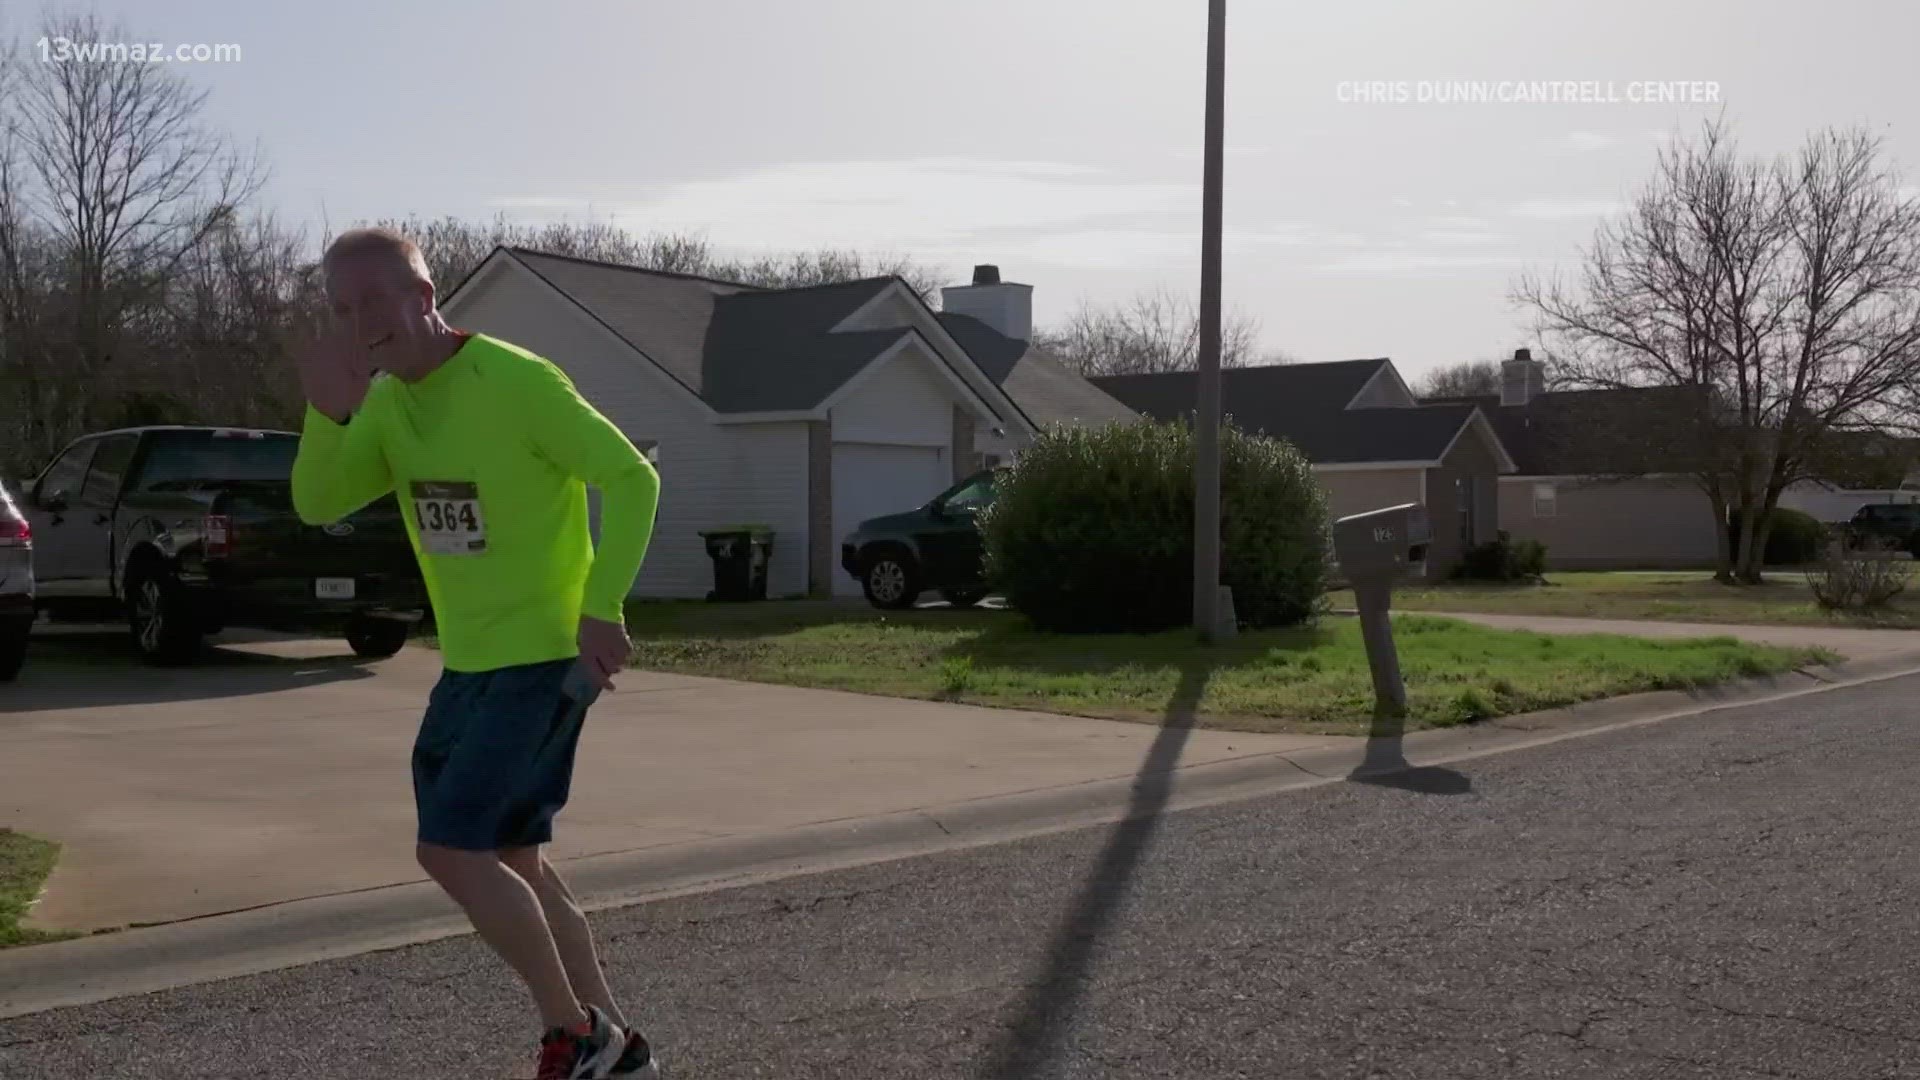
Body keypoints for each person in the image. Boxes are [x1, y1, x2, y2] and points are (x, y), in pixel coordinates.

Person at [289, 227, 663, 1080]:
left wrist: (603, 609)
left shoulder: (518, 382)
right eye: (343, 310)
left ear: (424, 295)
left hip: (543, 658)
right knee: (515, 860)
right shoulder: (386, 404)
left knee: (451, 849)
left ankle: (574, 1036)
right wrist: (325, 410)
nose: (360, 322)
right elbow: (317, 502)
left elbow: (634, 479)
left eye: (376, 300)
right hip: (469, 666)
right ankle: (618, 1043)